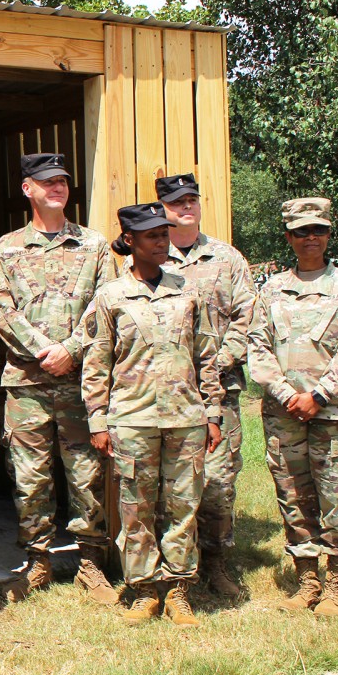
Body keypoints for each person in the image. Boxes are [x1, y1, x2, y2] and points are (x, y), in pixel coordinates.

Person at [82, 204, 223, 627]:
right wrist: (98, 419)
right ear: (130, 241)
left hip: (185, 418)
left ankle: (179, 591)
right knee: (135, 509)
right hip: (132, 419)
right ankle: (144, 590)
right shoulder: (110, 296)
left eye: (165, 234)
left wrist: (212, 411)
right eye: (152, 236)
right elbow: (96, 361)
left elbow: (207, 355)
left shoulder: (187, 291)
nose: (162, 242)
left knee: (183, 507)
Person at [0, 152, 117, 605]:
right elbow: (1, 310)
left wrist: (71, 350)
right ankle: (37, 561)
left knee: (86, 474)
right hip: (27, 383)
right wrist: (43, 349)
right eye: (47, 182)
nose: (57, 187)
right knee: (30, 476)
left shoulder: (94, 245)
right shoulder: (7, 248)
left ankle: (90, 563)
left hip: (81, 382)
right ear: (29, 189)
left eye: (62, 180)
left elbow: (105, 306)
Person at [248, 198, 338, 617]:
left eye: (318, 230)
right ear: (288, 237)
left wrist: (318, 396)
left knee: (337, 498)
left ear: (328, 236)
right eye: (301, 231)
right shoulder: (269, 289)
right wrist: (288, 396)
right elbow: (258, 347)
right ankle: (307, 581)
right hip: (286, 415)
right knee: (294, 496)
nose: (310, 238)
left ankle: (337, 585)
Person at [157, 173, 256, 598]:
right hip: (164, 393)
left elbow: (248, 316)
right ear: (162, 208)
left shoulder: (227, 258)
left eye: (193, 199)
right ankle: (173, 571)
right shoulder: (147, 257)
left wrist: (216, 365)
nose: (187, 207)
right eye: (177, 201)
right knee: (168, 484)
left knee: (217, 483)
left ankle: (216, 564)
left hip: (221, 393)